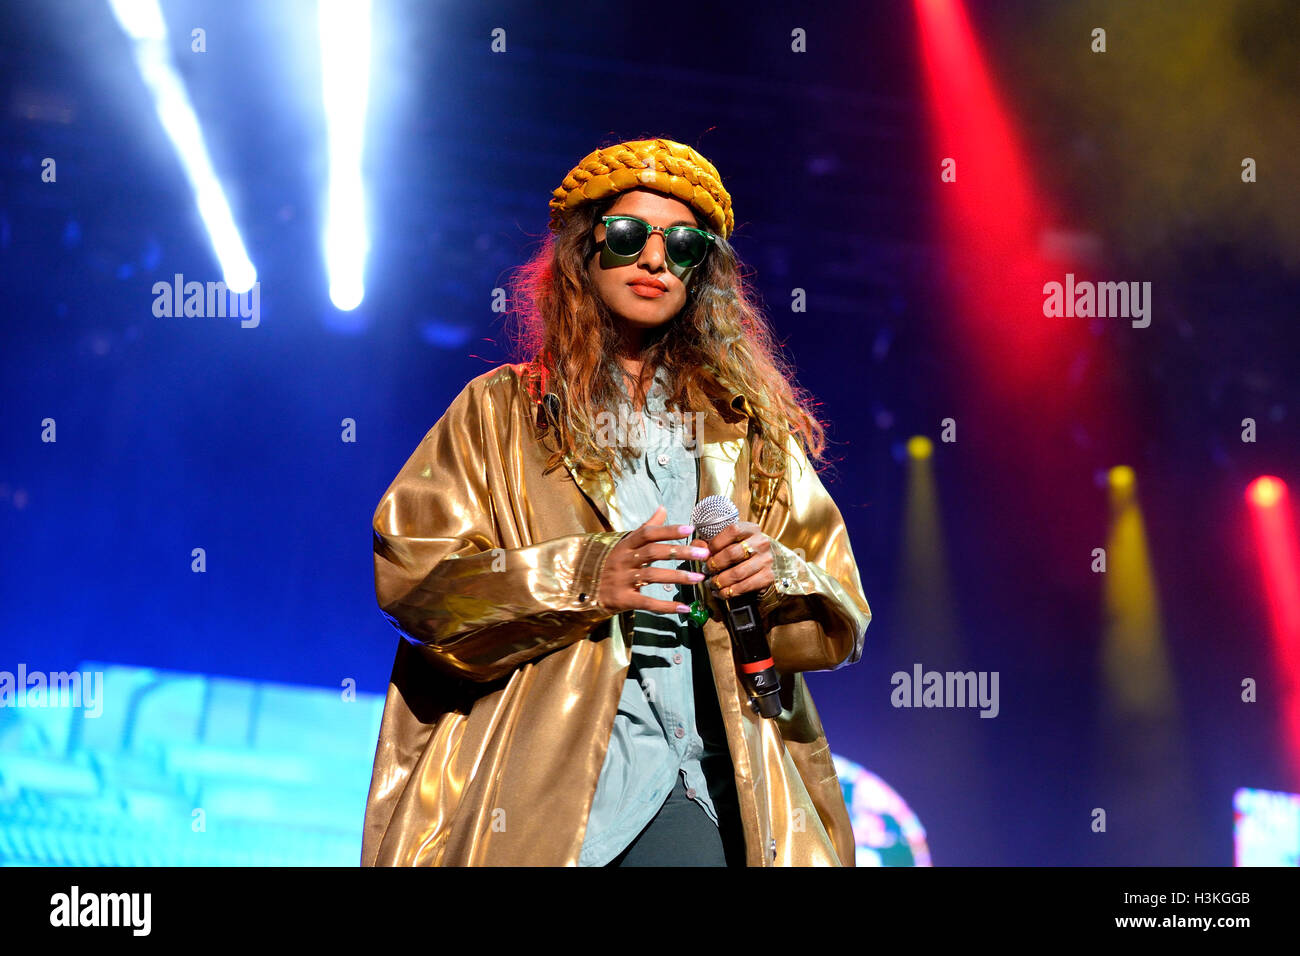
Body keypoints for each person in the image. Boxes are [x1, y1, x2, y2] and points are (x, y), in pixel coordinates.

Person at [361, 137, 872, 867]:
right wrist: (582, 577)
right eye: (629, 236)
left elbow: (841, 611)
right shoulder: (501, 413)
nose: (656, 261)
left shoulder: (750, 431)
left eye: (684, 246)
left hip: (706, 790)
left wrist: (777, 574)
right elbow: (418, 586)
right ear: (583, 251)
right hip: (541, 796)